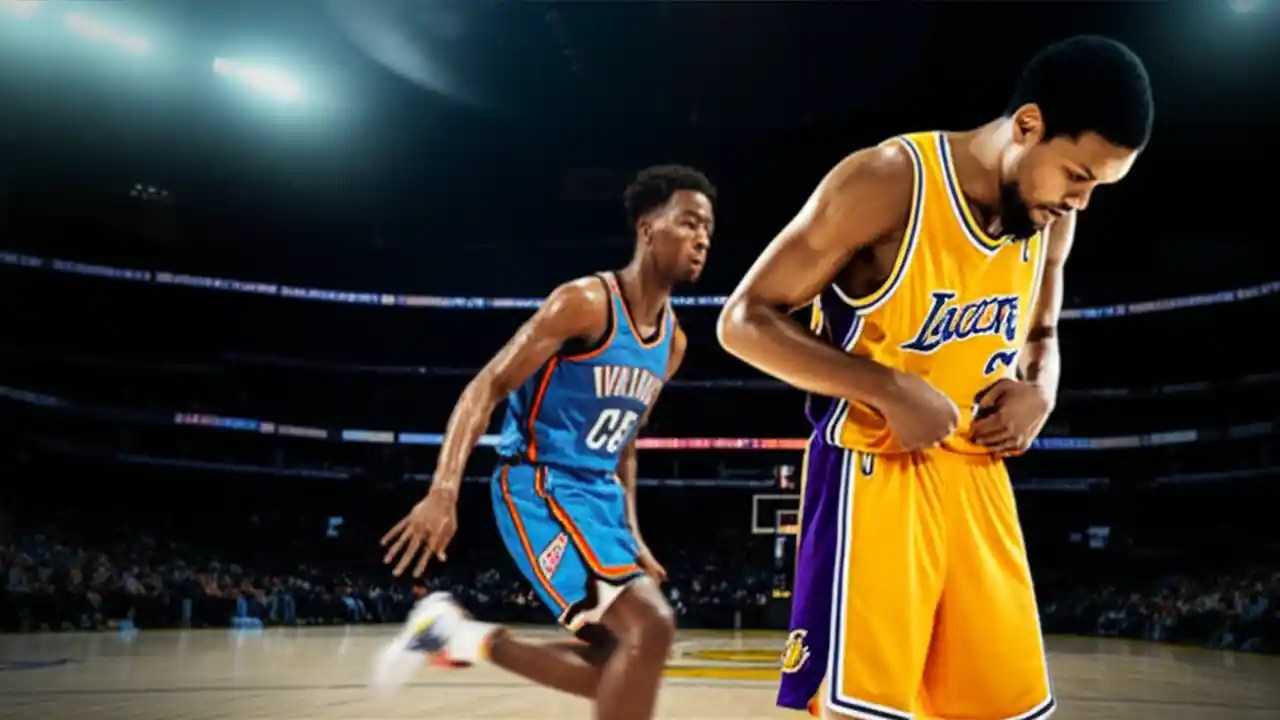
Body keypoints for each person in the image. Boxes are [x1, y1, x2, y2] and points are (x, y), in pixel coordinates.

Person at [716, 35, 1152, 720]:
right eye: (1076, 175)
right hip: (875, 470)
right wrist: (885, 388)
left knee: (1004, 712)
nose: (1083, 201)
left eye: (1098, 184)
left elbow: (1042, 335)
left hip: (978, 477)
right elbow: (743, 320)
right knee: (866, 712)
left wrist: (1042, 390)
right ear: (1028, 125)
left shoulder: (1047, 220)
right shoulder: (889, 181)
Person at [377, 165, 716, 720]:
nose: (702, 238)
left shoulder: (672, 343)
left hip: (598, 498)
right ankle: (452, 633)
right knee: (651, 626)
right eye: (689, 223)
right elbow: (489, 384)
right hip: (539, 482)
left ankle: (456, 636)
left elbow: (626, 445)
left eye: (708, 228)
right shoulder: (585, 302)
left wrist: (634, 536)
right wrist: (443, 490)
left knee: (618, 665)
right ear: (647, 229)